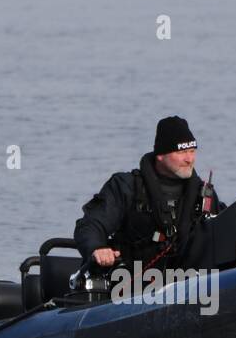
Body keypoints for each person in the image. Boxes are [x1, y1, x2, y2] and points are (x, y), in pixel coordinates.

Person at [74, 116, 223, 271]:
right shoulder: (126, 186)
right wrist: (97, 248)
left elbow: (225, 229)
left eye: (192, 151)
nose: (189, 159)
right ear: (160, 155)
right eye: (182, 152)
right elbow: (91, 225)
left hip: (190, 283)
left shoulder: (204, 195)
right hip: (132, 282)